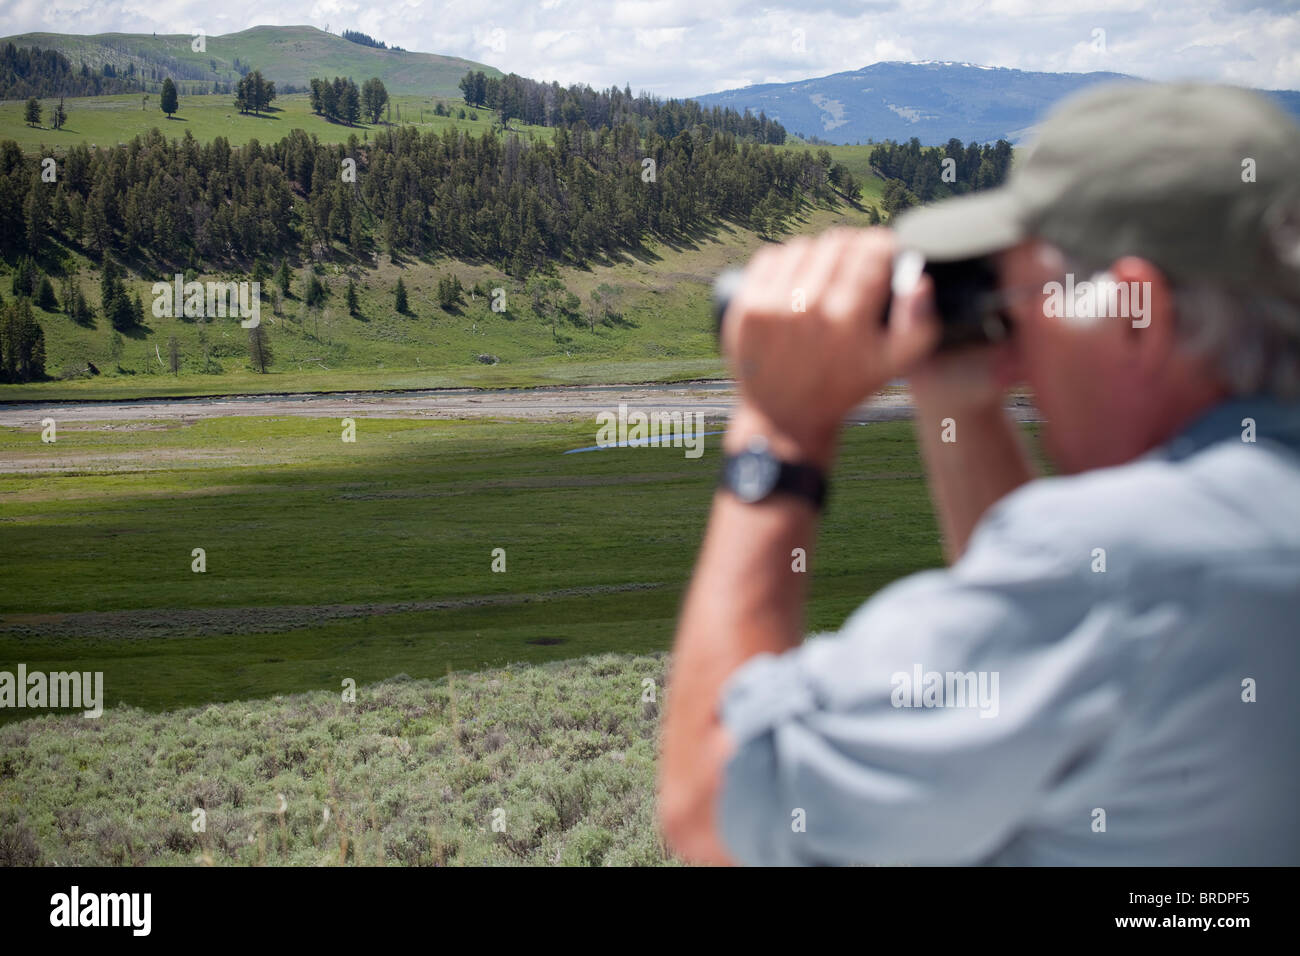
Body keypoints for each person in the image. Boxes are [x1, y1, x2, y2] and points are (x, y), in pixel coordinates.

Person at [657, 82, 1300, 865]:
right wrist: (957, 395)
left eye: (1026, 298)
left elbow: (716, 804)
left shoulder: (1130, 568)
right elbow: (1026, 674)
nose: (1016, 343)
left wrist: (780, 425)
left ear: (1138, 309)